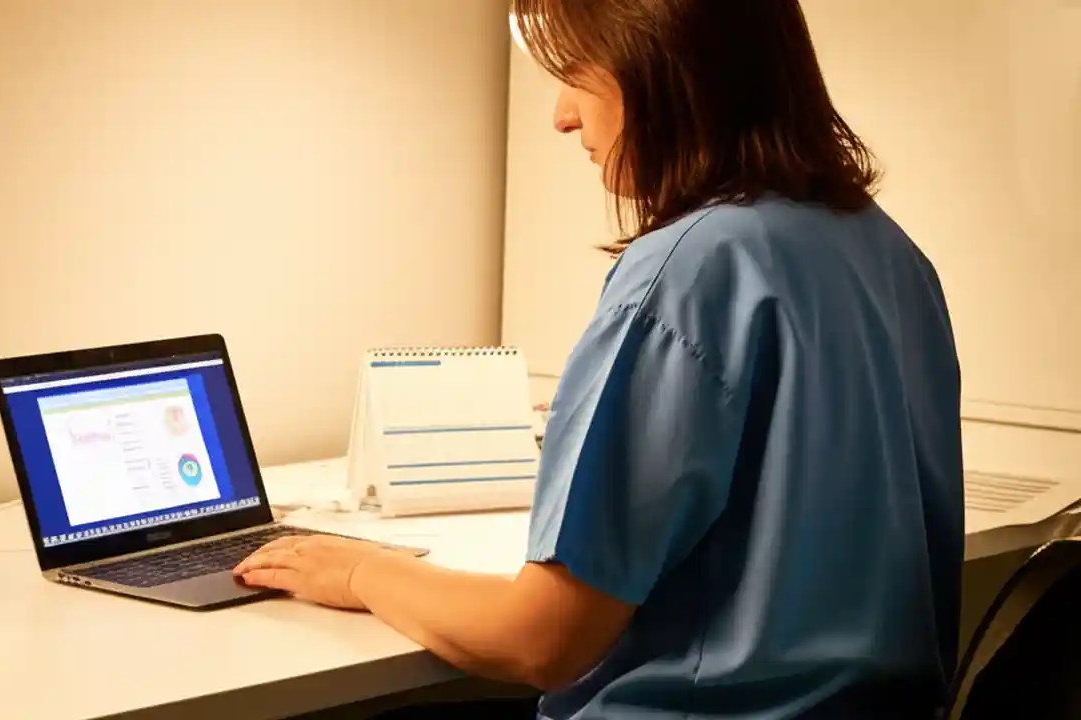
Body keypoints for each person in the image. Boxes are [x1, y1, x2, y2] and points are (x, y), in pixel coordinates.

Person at [235, 0, 964, 717]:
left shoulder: (686, 271)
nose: (561, 115)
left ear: (665, 69)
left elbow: (543, 639)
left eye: (579, 74)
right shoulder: (892, 255)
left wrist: (361, 569)